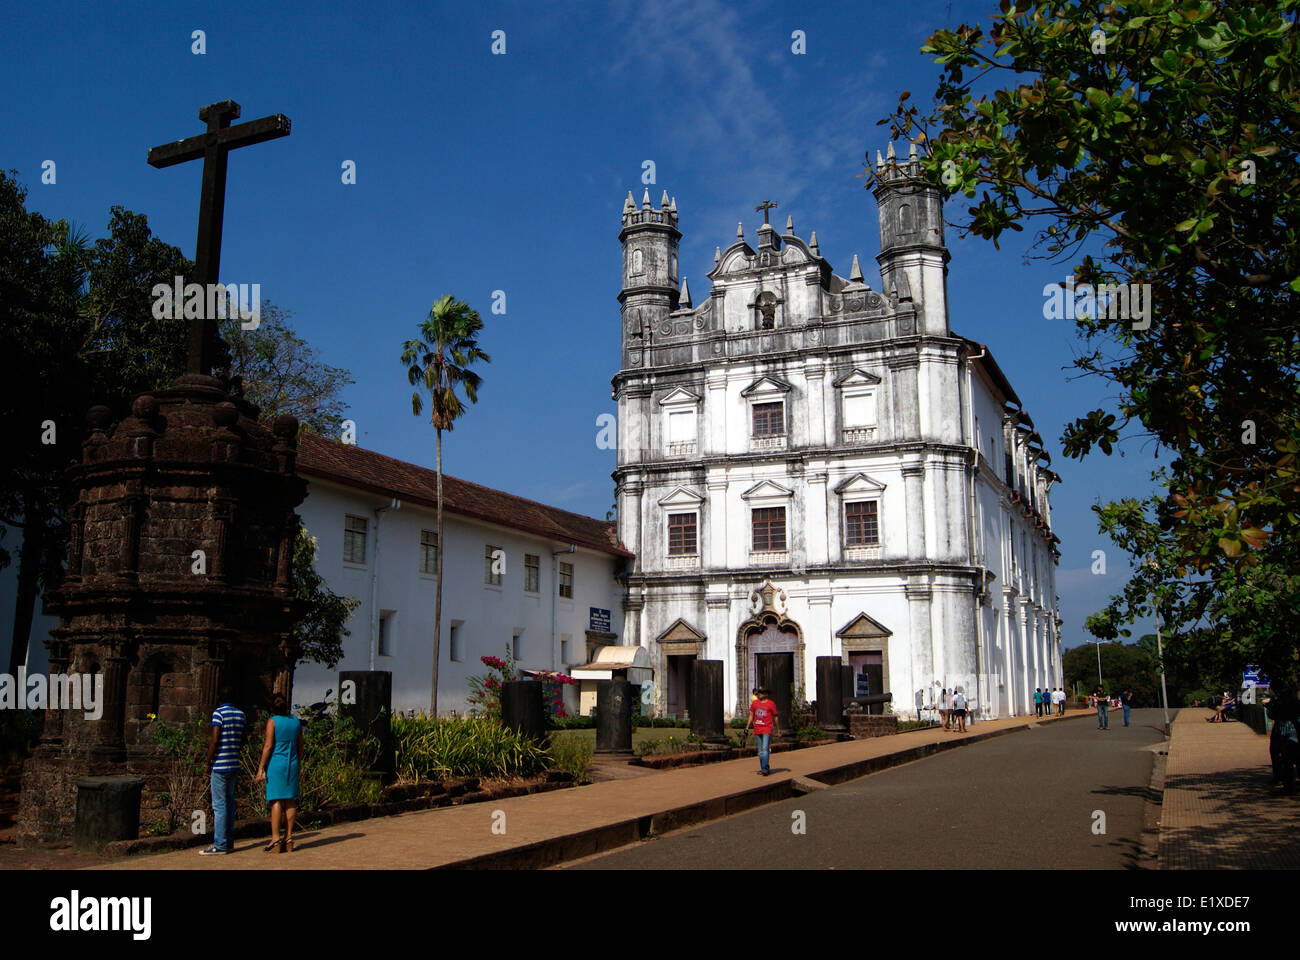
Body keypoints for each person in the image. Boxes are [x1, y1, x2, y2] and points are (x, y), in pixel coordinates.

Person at [255, 693, 303, 852]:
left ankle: (275, 838)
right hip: (292, 762)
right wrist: (298, 762)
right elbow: (300, 745)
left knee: (275, 800)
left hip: (276, 764)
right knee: (290, 800)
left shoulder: (273, 722)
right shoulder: (296, 721)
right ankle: (288, 838)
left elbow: (268, 746)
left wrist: (261, 767)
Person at [201, 685, 246, 855]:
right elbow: (243, 738)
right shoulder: (241, 714)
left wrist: (207, 763)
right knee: (229, 803)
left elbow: (214, 739)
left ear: (220, 698)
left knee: (219, 806)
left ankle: (219, 844)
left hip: (220, 765)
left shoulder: (218, 713)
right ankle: (228, 842)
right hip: (234, 763)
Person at [1266, 688, 1299, 794]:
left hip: (1280, 730)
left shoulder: (1276, 699)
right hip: (1294, 729)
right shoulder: (1294, 698)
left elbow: (1271, 714)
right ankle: (1290, 785)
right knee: (1294, 757)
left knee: (1280, 756)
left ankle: (1282, 780)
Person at [744, 686, 779, 776]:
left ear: (766, 694)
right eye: (759, 693)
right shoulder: (755, 703)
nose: (759, 694)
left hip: (766, 728)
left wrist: (778, 729)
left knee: (765, 749)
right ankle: (763, 767)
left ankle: (765, 768)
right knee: (760, 751)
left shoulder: (771, 704)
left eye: (761, 693)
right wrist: (747, 727)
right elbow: (751, 715)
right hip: (757, 729)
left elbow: (775, 717)